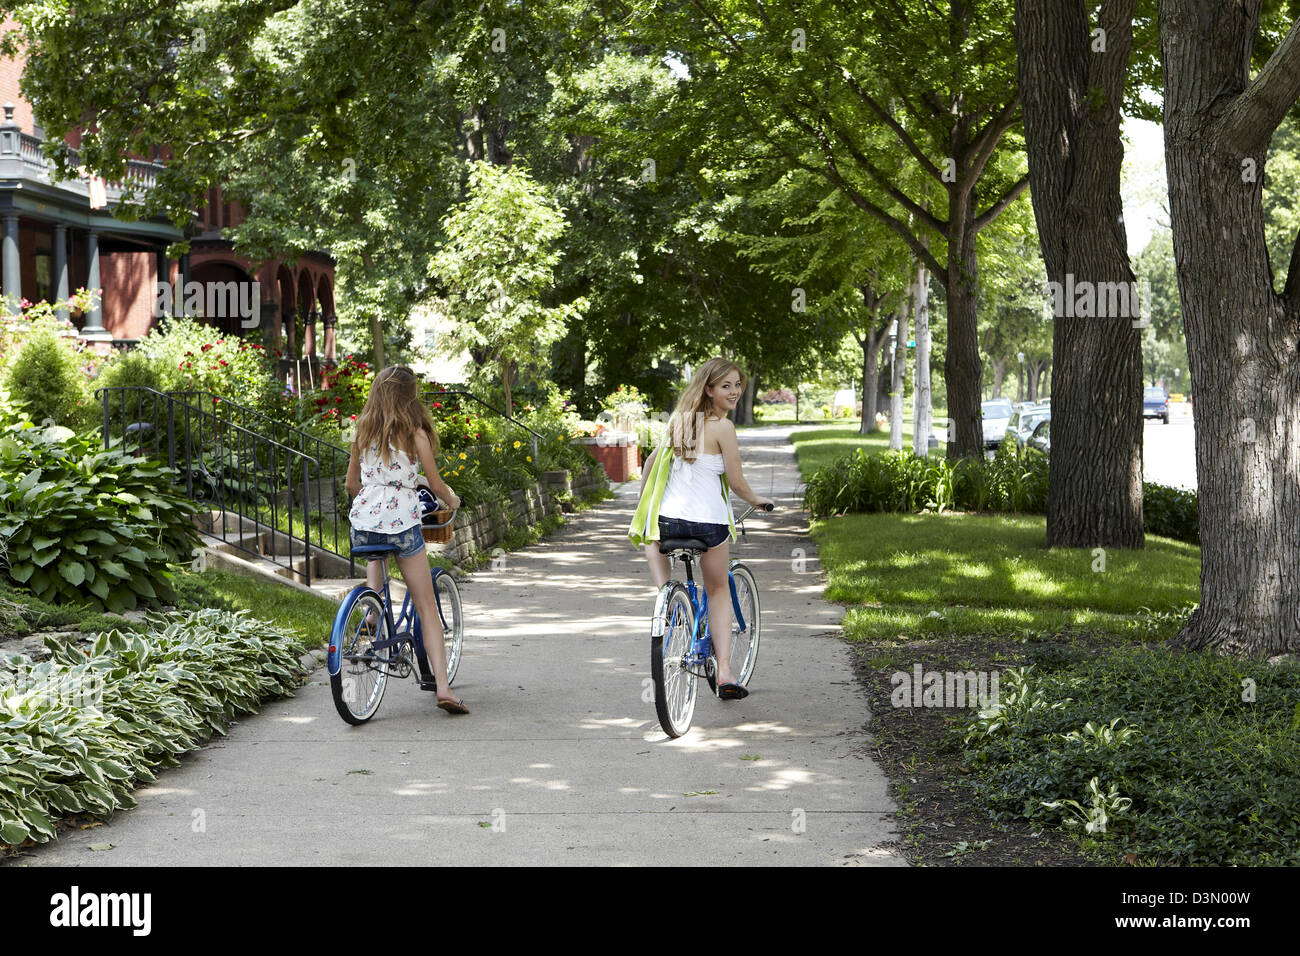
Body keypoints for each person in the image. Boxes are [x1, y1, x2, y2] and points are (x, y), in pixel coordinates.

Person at [629, 357, 774, 699]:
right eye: (726, 386)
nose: (735, 391)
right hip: (708, 524)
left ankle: (669, 595)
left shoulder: (679, 422)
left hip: (668, 522)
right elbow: (736, 483)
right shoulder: (723, 428)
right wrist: (757, 501)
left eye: (738, 385)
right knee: (718, 589)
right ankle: (724, 673)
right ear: (709, 389)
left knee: (654, 540)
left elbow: (651, 463)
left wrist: (643, 503)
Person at [345, 366, 468, 714]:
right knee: (426, 604)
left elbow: (351, 485)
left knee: (375, 547)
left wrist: (372, 500)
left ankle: (372, 609)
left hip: (365, 521)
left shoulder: (361, 432)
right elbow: (436, 483)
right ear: (410, 396)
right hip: (402, 523)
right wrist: (451, 500)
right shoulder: (416, 435)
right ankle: (443, 688)